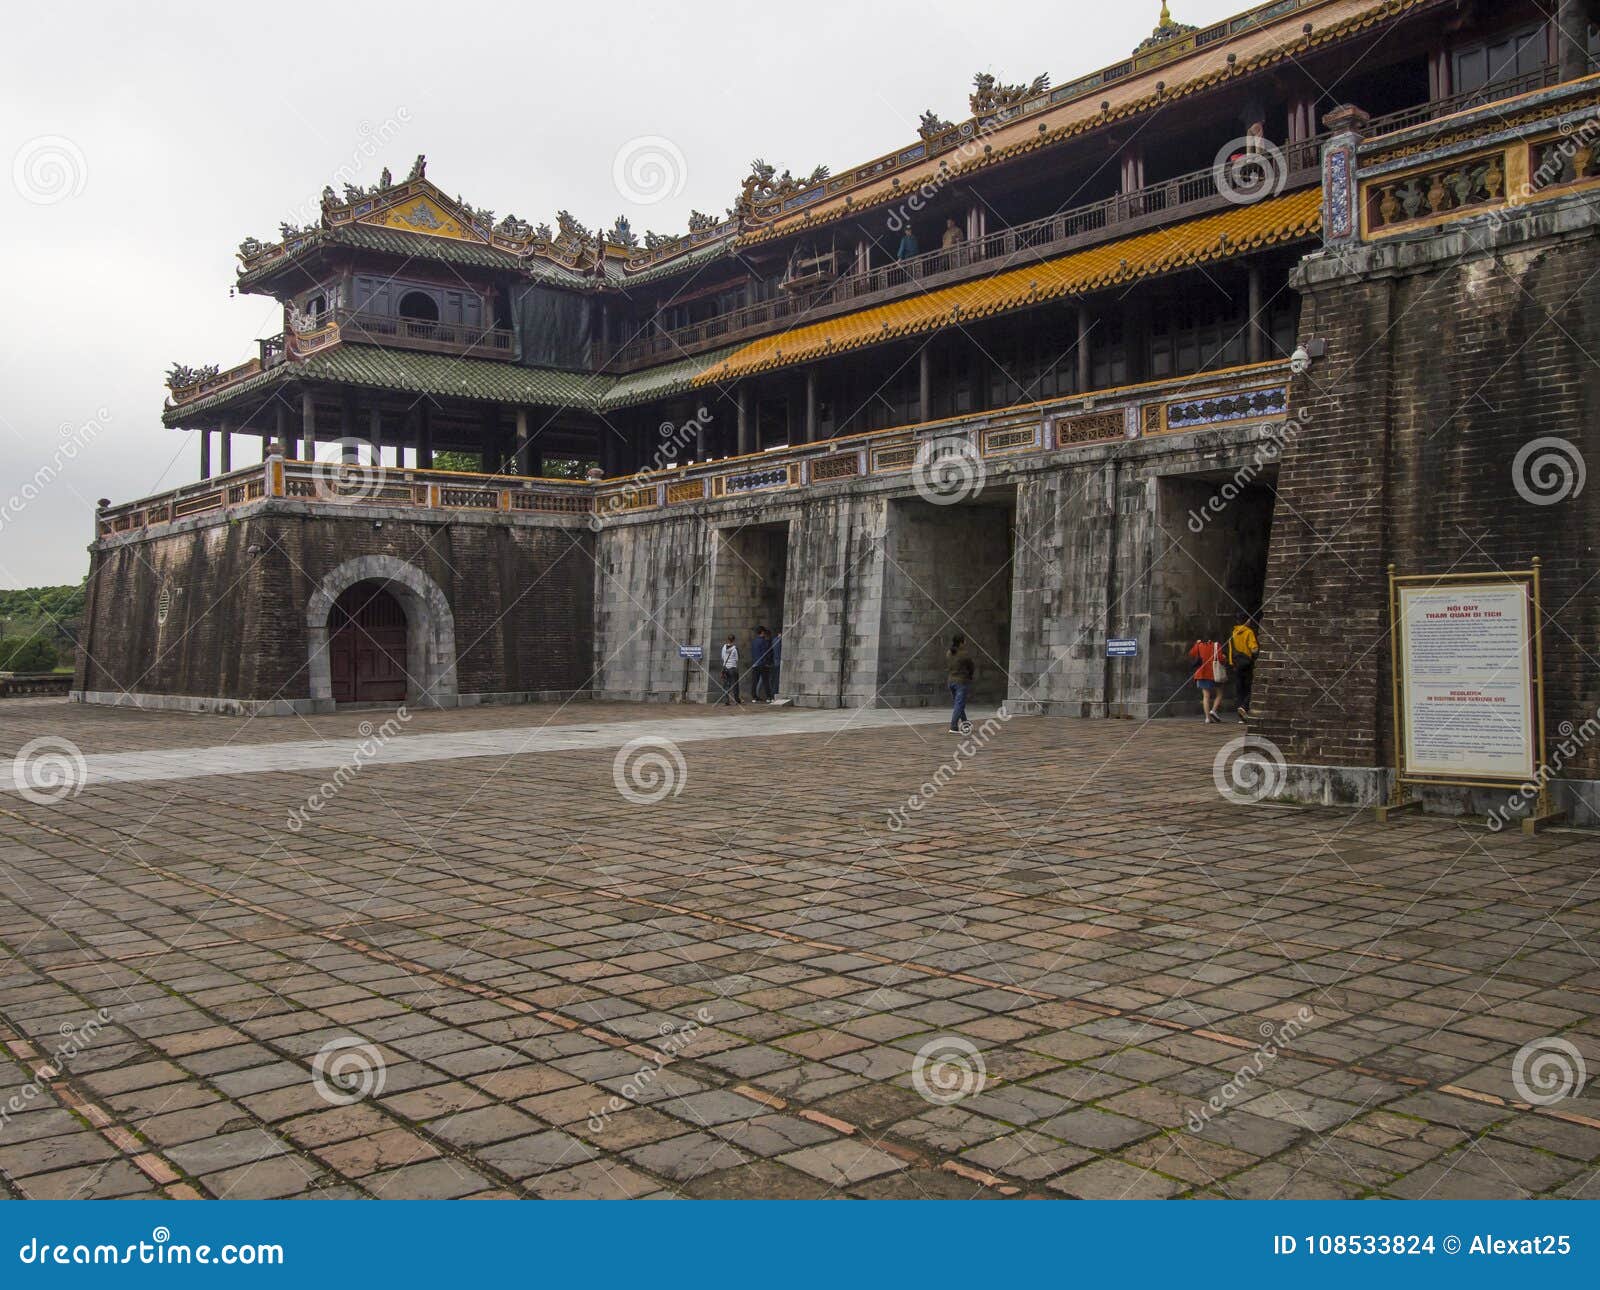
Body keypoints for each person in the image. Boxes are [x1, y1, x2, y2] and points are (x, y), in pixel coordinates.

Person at [1228, 615, 1260, 723]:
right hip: (1247, 664)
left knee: (1240, 690)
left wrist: (1232, 663)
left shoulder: (1234, 632)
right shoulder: (1249, 632)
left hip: (1237, 664)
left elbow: (1231, 649)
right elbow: (1254, 649)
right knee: (1251, 688)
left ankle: (1241, 717)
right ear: (1247, 621)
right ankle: (1244, 707)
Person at [1188, 636, 1226, 723]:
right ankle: (1213, 710)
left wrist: (1196, 644)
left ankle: (1207, 718)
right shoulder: (1216, 645)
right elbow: (1220, 658)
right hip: (1214, 674)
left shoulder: (1199, 645)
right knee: (1219, 693)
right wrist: (1224, 657)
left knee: (1205, 696)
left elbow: (1191, 654)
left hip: (1201, 674)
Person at [947, 635, 975, 735]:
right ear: (961, 643)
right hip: (961, 682)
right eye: (964, 641)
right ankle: (953, 726)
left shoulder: (949, 653)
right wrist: (970, 676)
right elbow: (971, 667)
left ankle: (966, 724)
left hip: (951, 681)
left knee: (959, 704)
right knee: (959, 704)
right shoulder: (964, 654)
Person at [751, 626, 775, 702]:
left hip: (755, 663)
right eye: (764, 632)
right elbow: (766, 653)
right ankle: (769, 697)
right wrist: (768, 663)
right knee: (766, 681)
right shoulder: (764, 641)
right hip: (763, 664)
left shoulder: (754, 641)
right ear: (762, 632)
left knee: (755, 681)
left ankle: (754, 697)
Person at [719, 635, 742, 706]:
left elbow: (722, 657)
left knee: (726, 685)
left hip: (725, 668)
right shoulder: (735, 649)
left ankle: (726, 700)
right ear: (734, 640)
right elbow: (737, 659)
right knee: (735, 685)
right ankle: (736, 700)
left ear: (727, 639)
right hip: (733, 668)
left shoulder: (724, 647)